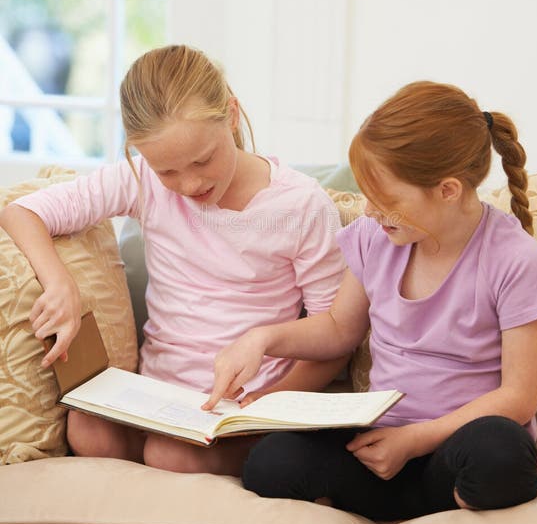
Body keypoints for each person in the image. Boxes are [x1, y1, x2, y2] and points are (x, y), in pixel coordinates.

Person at [203, 81, 537, 520]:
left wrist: (416, 439)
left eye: (387, 200)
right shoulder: (376, 238)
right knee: (270, 460)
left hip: (451, 451)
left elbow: (518, 397)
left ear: (448, 190)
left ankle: (445, 504)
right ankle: (397, 505)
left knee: (503, 452)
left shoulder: (513, 259)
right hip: (376, 448)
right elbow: (339, 328)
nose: (371, 212)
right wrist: (262, 338)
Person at [0, 45, 347, 475]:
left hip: (243, 410)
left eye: (203, 160)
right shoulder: (143, 180)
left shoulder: (301, 205)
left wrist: (266, 406)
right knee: (87, 428)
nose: (190, 183)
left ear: (232, 116)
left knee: (170, 455)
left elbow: (335, 337)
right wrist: (59, 284)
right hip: (155, 403)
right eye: (168, 170)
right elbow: (23, 211)